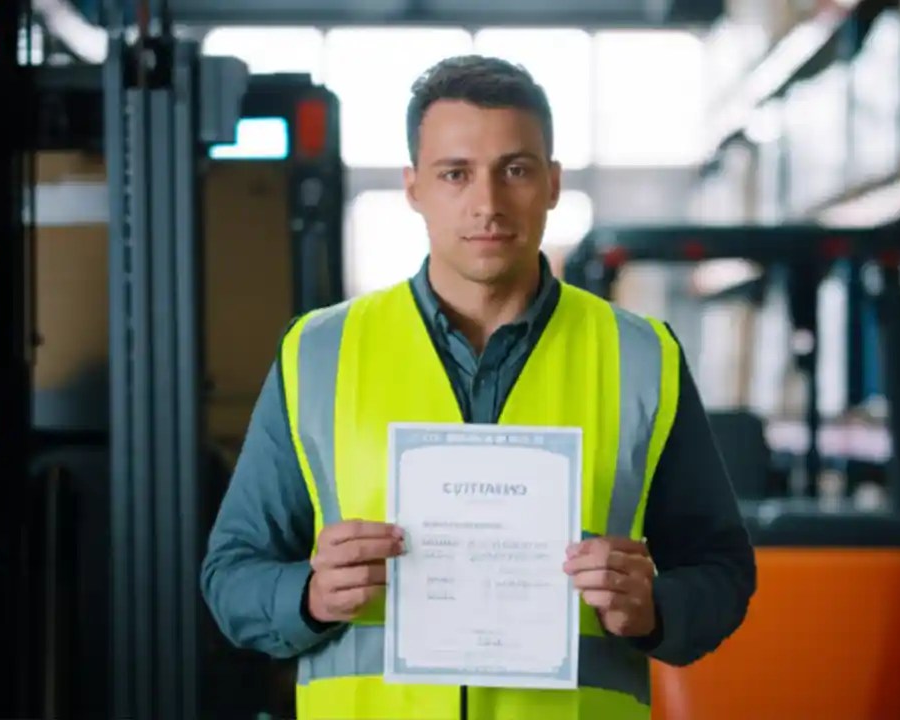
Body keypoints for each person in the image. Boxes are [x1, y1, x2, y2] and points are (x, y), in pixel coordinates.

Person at [200, 55, 756, 720]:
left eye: (515, 170)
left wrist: (656, 607)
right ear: (414, 187)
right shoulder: (319, 353)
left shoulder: (643, 356)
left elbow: (722, 570)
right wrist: (308, 597)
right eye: (455, 173)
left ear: (552, 183)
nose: (487, 204)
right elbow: (231, 574)